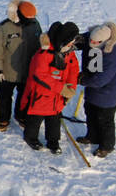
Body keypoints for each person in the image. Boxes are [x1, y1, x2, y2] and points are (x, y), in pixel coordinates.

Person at [20, 22, 79, 154]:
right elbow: (40, 75)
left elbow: (73, 70)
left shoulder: (69, 53)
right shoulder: (44, 54)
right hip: (40, 96)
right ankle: (30, 138)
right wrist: (62, 88)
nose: (72, 46)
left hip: (57, 98)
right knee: (34, 121)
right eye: (70, 43)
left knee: (54, 122)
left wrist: (70, 88)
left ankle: (53, 142)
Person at [0, 0, 42, 131]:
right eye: (28, 18)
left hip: (27, 70)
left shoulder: (35, 24)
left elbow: (40, 44)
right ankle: (3, 119)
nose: (31, 20)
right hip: (8, 72)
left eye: (32, 18)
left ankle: (21, 116)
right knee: (4, 97)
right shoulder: (3, 27)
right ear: (19, 15)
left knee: (24, 96)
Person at [75, 22, 116, 158]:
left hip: (109, 93)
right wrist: (74, 40)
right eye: (91, 40)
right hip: (94, 89)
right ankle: (92, 136)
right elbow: (85, 39)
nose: (91, 43)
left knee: (105, 120)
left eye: (95, 42)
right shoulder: (96, 36)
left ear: (104, 41)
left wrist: (81, 80)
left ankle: (107, 146)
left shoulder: (112, 55)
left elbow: (100, 80)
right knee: (90, 112)